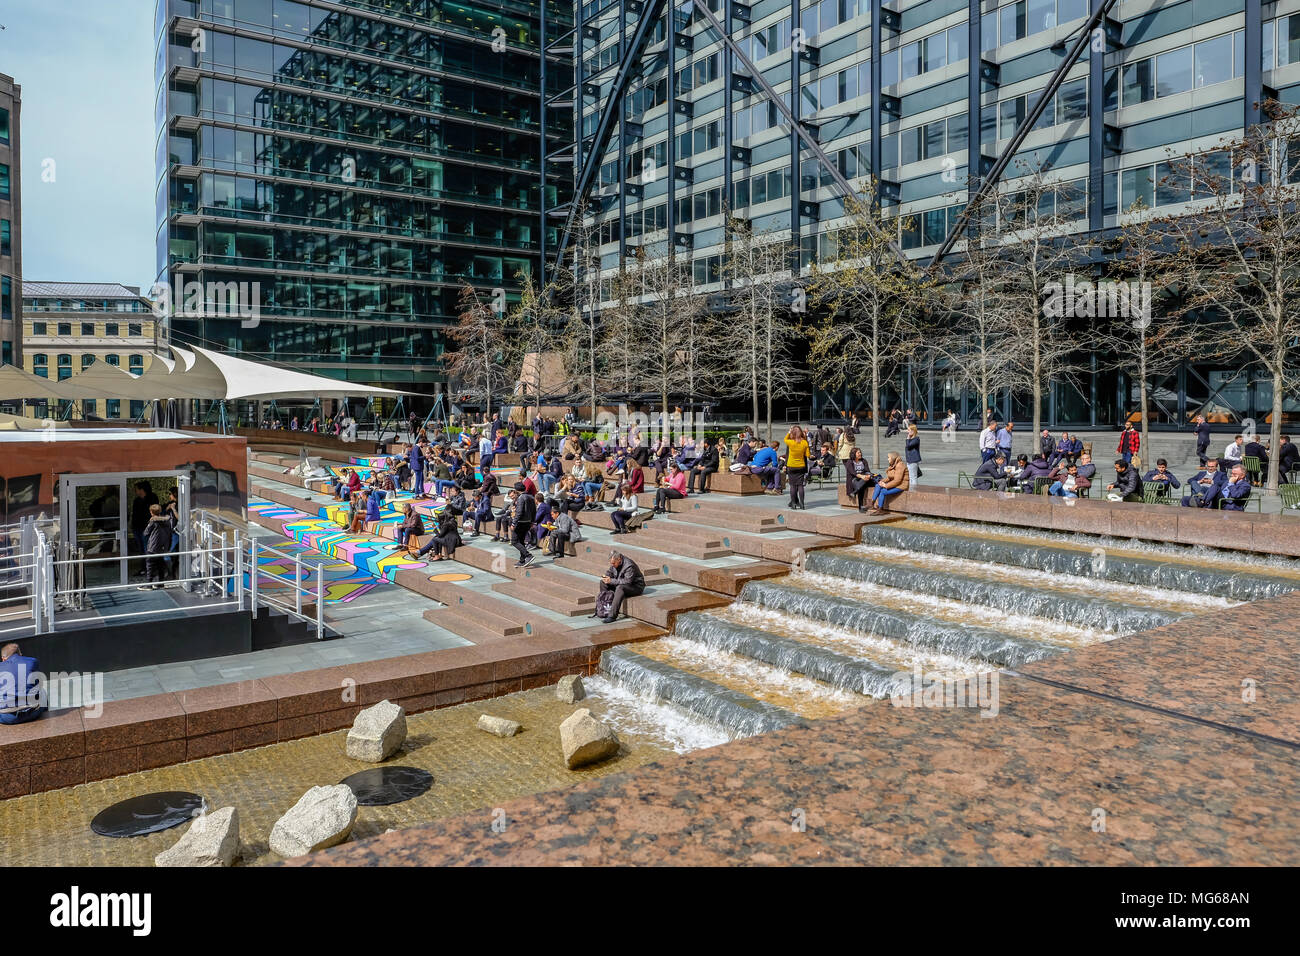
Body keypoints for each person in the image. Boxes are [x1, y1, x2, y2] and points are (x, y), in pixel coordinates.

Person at [0, 643, 45, 725]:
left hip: (7, 717)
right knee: (42, 690)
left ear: (3, 659)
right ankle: (46, 718)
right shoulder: (33, 661)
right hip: (32, 713)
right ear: (20, 654)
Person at [596, 551, 645, 623]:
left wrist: (611, 581)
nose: (612, 565)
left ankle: (612, 616)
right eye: (611, 563)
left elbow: (627, 581)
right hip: (621, 583)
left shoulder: (629, 565)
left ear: (619, 559)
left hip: (636, 587)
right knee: (603, 582)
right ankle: (605, 608)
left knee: (620, 588)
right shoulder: (615, 562)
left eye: (613, 563)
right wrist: (606, 576)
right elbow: (610, 571)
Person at [139, 503, 176, 590]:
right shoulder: (167, 521)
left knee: (149, 565)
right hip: (162, 547)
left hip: (153, 547)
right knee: (160, 564)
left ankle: (148, 585)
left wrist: (149, 523)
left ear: (151, 512)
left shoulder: (153, 521)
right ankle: (160, 583)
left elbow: (145, 533)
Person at [783, 426, 811, 509]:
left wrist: (789, 432)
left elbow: (785, 439)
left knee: (792, 486)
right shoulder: (805, 443)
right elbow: (808, 455)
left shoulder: (791, 442)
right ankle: (802, 504)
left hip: (791, 466)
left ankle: (794, 504)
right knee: (800, 485)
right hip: (801, 466)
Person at [511, 482, 536, 566]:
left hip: (520, 522)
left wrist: (514, 523)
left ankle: (528, 555)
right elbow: (534, 511)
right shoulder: (531, 497)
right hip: (528, 522)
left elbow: (519, 512)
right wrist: (532, 521)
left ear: (517, 490)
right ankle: (522, 560)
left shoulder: (521, 498)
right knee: (521, 541)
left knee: (514, 541)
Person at [903, 423, 921, 488]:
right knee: (910, 476)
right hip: (910, 460)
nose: (908, 431)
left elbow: (908, 446)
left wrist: (907, 438)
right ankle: (911, 489)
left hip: (913, 460)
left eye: (909, 430)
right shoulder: (911, 439)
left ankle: (914, 490)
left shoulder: (916, 439)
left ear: (913, 431)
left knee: (913, 477)